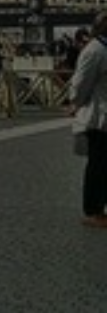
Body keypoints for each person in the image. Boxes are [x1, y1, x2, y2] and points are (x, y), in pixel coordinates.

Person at [71, 12, 107, 227]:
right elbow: (81, 83)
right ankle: (93, 210)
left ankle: (100, 206)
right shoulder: (94, 51)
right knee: (98, 165)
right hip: (99, 116)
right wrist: (76, 102)